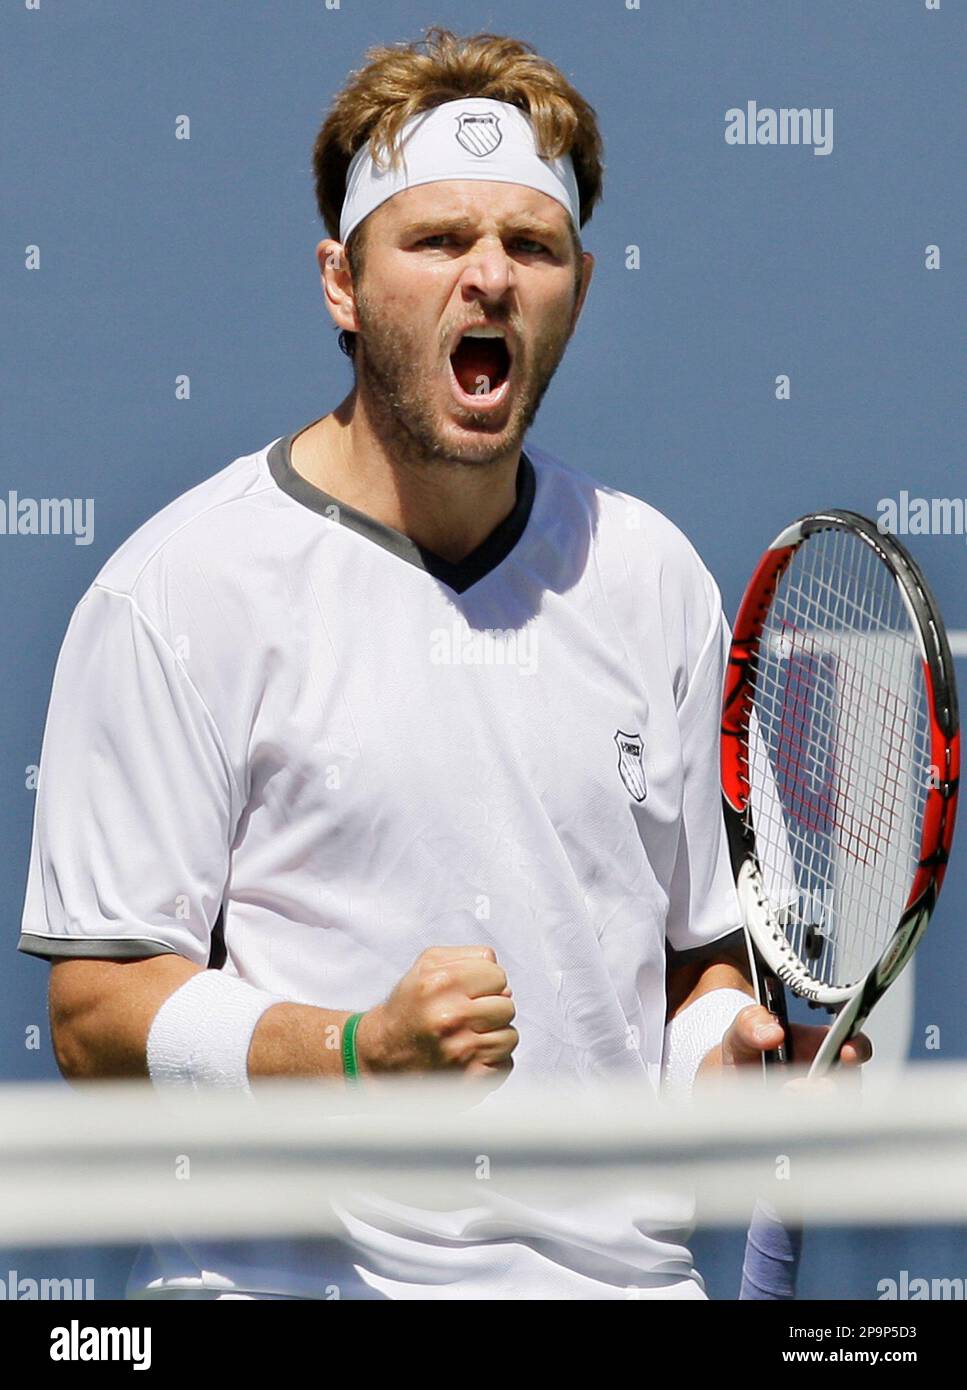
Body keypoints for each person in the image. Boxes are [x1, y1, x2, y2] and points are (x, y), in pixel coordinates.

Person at [18, 27, 867, 1300]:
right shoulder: (173, 591)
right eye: (436, 241)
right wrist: (354, 1053)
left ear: (576, 281)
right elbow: (95, 1017)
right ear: (341, 284)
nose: (488, 277)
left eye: (528, 247)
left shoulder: (652, 576)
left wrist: (729, 1063)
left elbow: (699, 966)